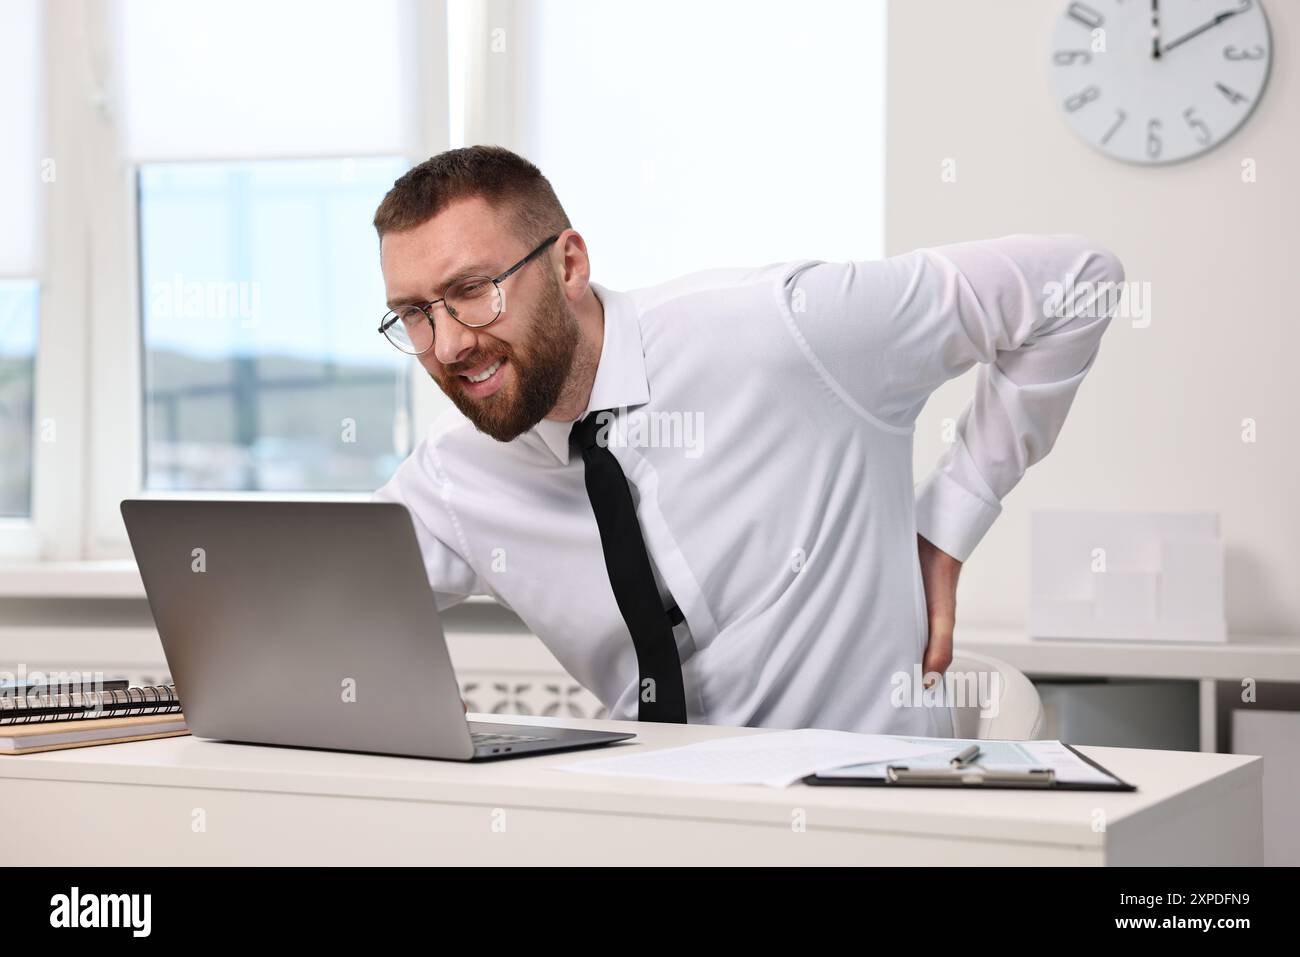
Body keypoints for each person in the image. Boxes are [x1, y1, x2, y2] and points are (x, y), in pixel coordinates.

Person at [372, 145, 1124, 735]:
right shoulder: (454, 472)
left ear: (569, 263)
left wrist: (949, 523)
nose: (445, 344)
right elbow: (323, 599)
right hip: (647, 820)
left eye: (473, 291)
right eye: (413, 313)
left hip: (864, 815)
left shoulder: (783, 332)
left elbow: (1076, 282)